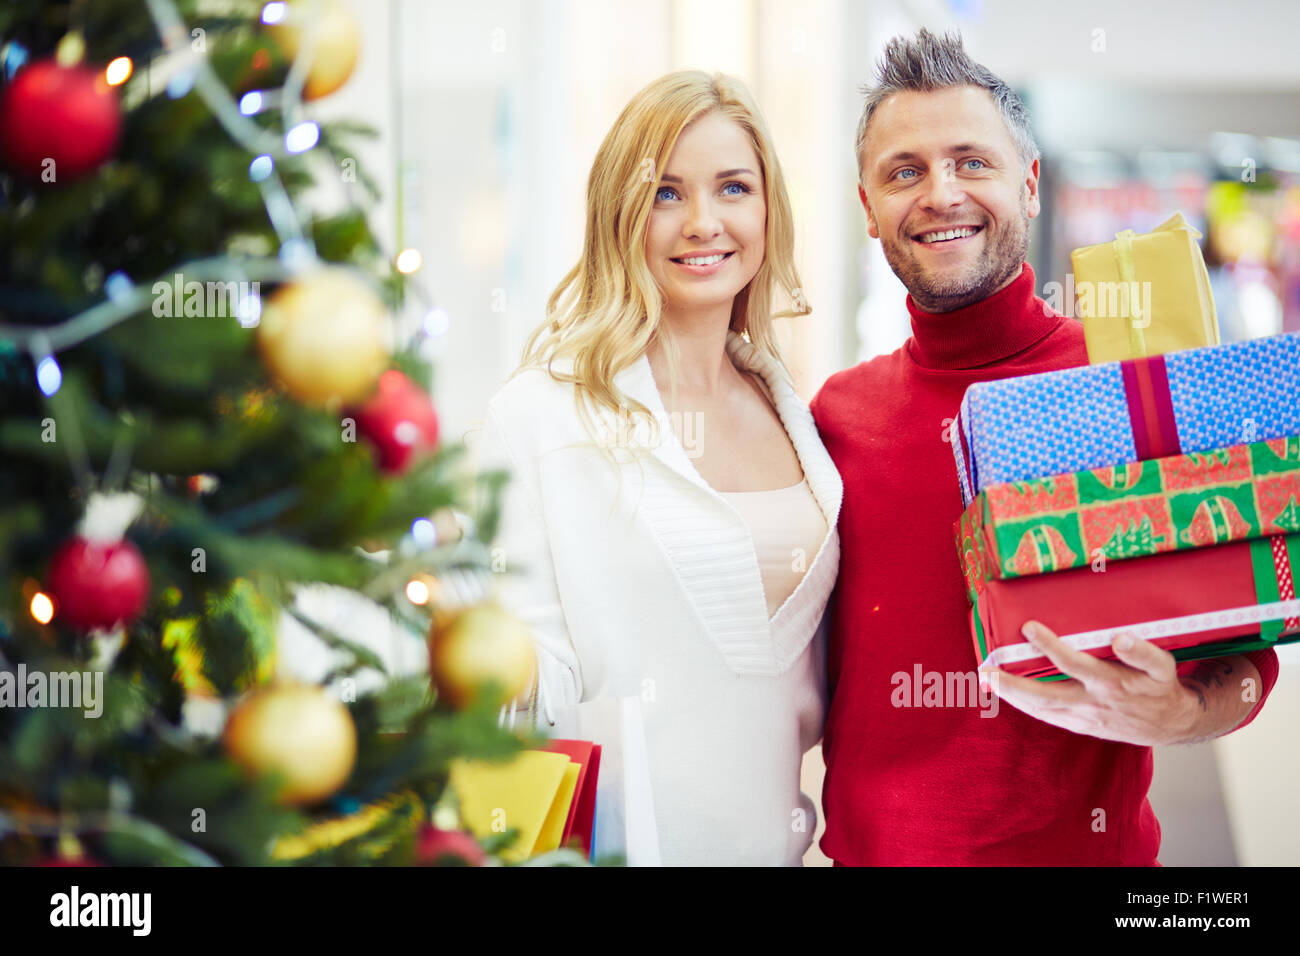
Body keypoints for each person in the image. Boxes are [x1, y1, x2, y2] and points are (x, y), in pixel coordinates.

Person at [810, 29, 1280, 866]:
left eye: (971, 162)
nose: (940, 193)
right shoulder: (837, 420)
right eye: (904, 171)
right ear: (868, 206)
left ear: (1028, 185)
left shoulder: (1129, 381)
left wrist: (1182, 713)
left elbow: (1248, 669)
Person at [474, 70, 842, 866]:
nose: (703, 222)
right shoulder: (543, 417)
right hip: (611, 850)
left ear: (769, 211)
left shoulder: (800, 419)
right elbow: (527, 680)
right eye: (666, 193)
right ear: (621, 213)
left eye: (733, 187)